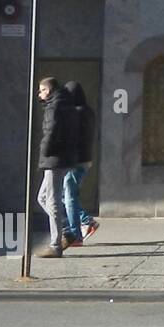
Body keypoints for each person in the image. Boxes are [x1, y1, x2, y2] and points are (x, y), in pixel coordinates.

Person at [34, 77, 77, 258]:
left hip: (54, 159)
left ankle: (55, 244)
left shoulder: (54, 107)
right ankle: (67, 231)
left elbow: (50, 133)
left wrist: (44, 151)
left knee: (52, 200)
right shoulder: (65, 104)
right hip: (61, 158)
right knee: (43, 197)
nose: (39, 94)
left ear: (49, 91)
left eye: (42, 90)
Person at [61, 81, 100, 247]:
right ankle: (86, 221)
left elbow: (70, 138)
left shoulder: (75, 113)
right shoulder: (88, 112)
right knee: (68, 195)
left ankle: (76, 234)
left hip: (74, 161)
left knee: (68, 196)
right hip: (85, 160)